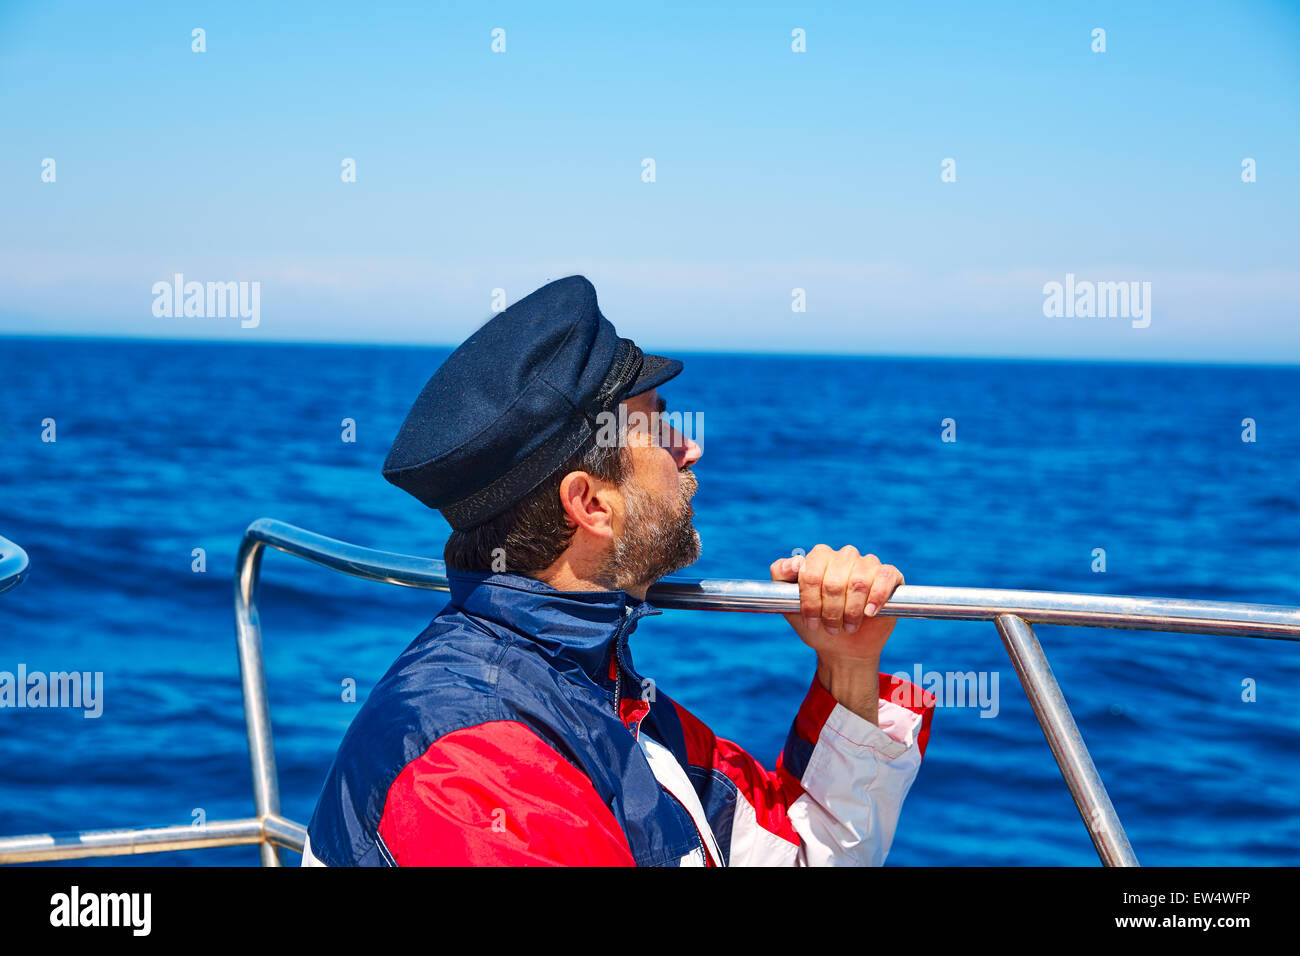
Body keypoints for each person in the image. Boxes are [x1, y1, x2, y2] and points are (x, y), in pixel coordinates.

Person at [302, 275, 934, 866]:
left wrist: (847, 666)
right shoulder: (474, 766)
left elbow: (803, 854)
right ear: (592, 504)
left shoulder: (608, 698)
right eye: (658, 425)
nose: (691, 447)